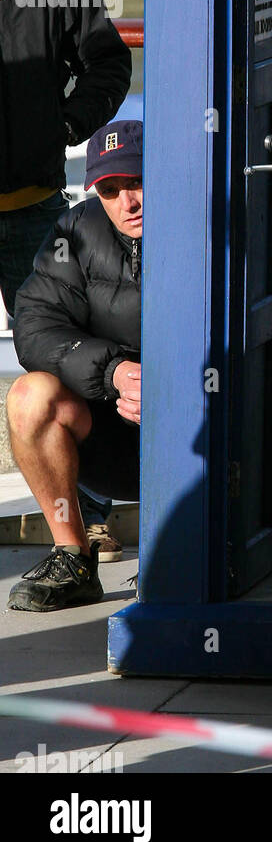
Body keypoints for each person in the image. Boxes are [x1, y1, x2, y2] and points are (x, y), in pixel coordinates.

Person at [0, 0, 133, 558]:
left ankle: (89, 514)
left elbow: (108, 60)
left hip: (33, 207)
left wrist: (67, 125)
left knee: (54, 362)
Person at [5, 121, 143, 612]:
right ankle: (72, 556)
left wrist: (170, 382)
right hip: (107, 428)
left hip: (197, 426)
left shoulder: (203, 222)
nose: (129, 202)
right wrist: (114, 374)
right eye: (111, 189)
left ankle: (217, 540)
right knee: (29, 397)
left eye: (138, 182)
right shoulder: (75, 228)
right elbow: (35, 326)